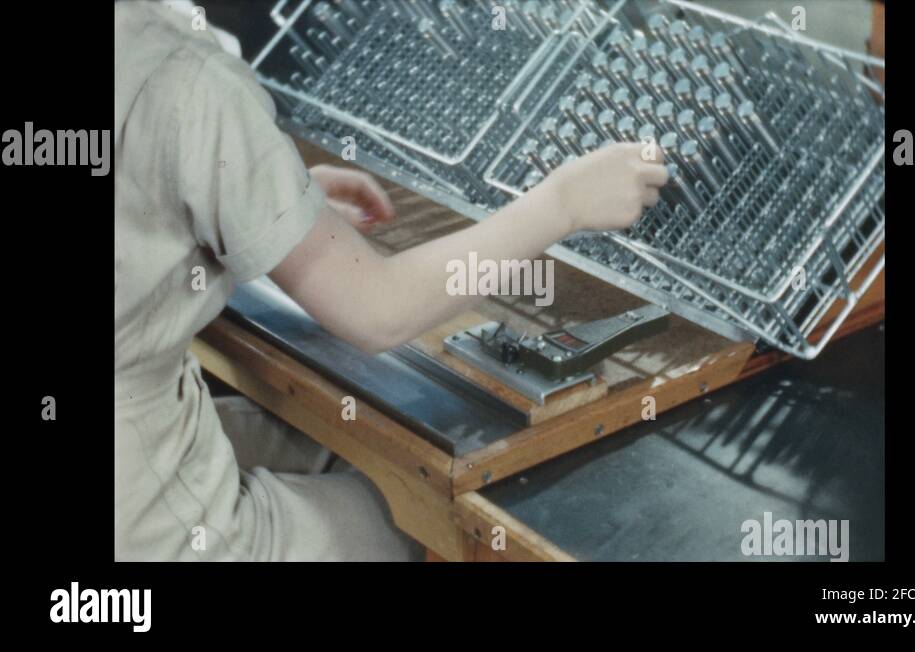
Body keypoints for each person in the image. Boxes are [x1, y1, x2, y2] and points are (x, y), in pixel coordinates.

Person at [114, 0, 669, 560]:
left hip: (143, 430)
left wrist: (271, 203)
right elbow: (377, 310)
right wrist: (564, 204)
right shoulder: (187, 75)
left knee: (331, 445)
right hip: (142, 520)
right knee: (415, 516)